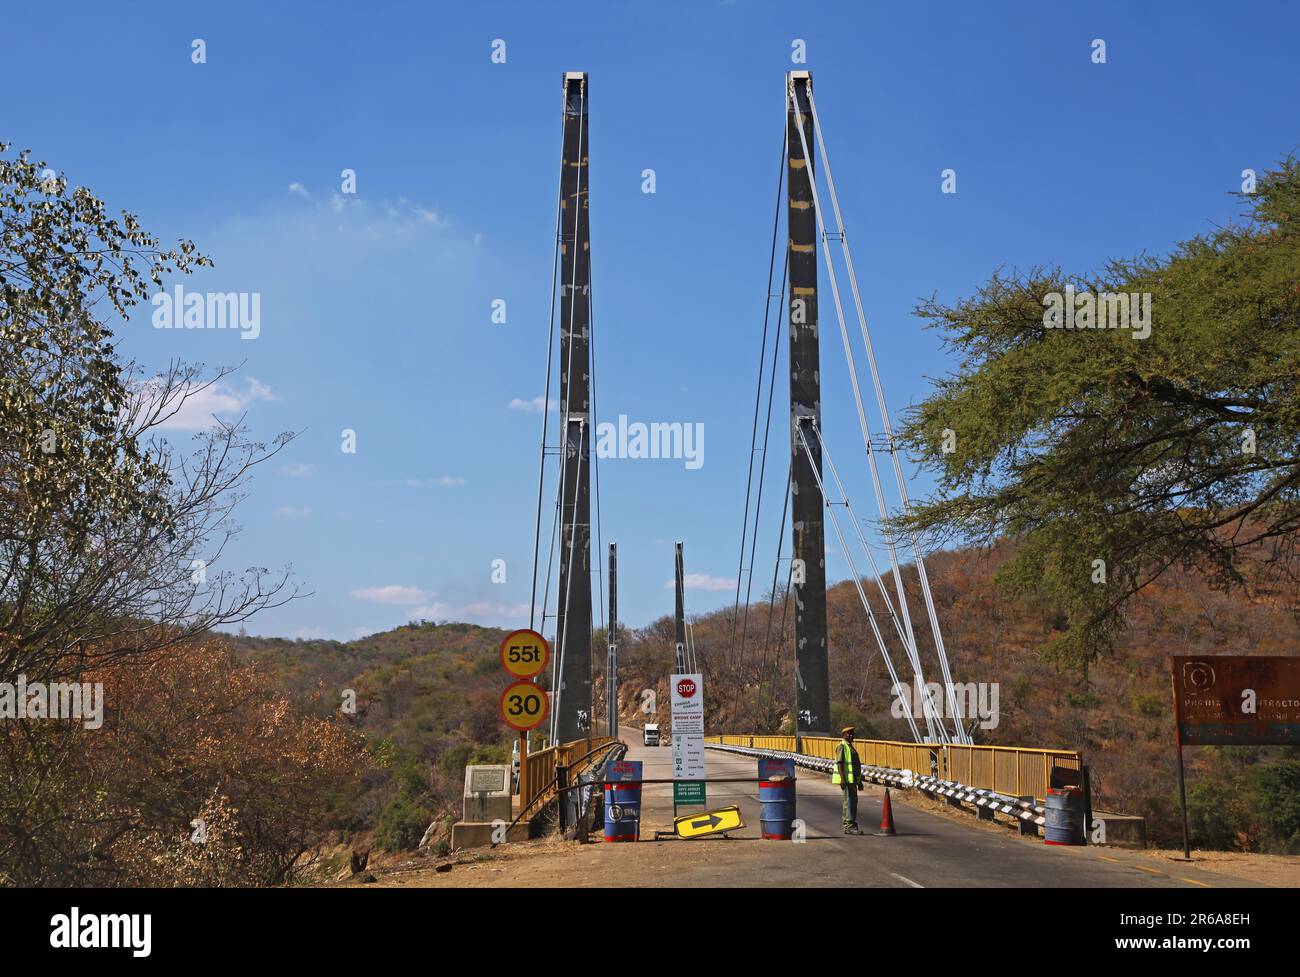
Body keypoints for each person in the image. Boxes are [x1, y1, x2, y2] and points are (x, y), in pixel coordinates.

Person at [832, 725, 864, 834]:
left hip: (853, 781)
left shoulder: (850, 746)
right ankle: (849, 826)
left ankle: (851, 824)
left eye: (852, 734)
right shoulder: (842, 746)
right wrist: (842, 779)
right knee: (849, 802)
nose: (851, 735)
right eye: (848, 734)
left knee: (852, 802)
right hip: (847, 780)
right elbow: (839, 763)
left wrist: (859, 781)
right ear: (844, 735)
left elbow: (855, 766)